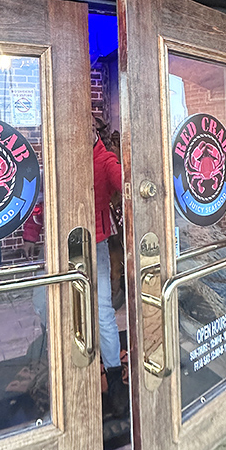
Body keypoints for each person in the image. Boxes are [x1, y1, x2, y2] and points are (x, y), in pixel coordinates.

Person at [94, 121, 129, 417]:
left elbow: (125, 185)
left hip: (95, 242)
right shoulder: (59, 156)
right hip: (62, 244)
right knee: (49, 307)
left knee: (103, 310)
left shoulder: (105, 159)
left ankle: (115, 378)